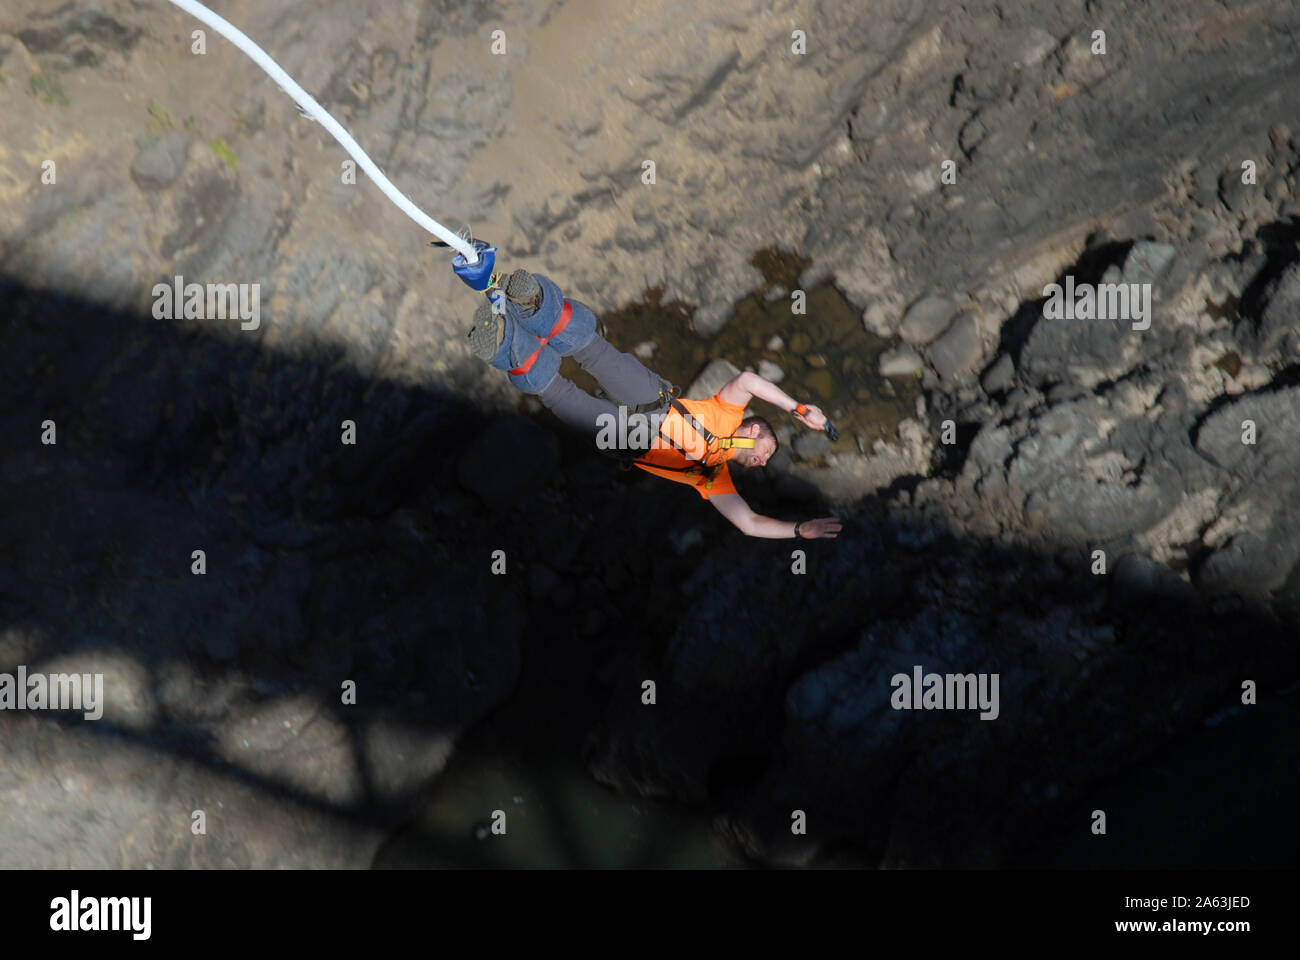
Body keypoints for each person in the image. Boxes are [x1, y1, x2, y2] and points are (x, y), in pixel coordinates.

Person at [466, 268, 842, 540]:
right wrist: (798, 408)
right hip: (655, 403)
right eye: (765, 452)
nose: (761, 462)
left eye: (762, 463)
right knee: (592, 350)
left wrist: (797, 530)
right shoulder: (729, 413)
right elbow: (748, 381)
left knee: (559, 396)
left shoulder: (713, 479)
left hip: (629, 439)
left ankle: (506, 340)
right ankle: (534, 304)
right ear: (754, 429)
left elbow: (749, 523)